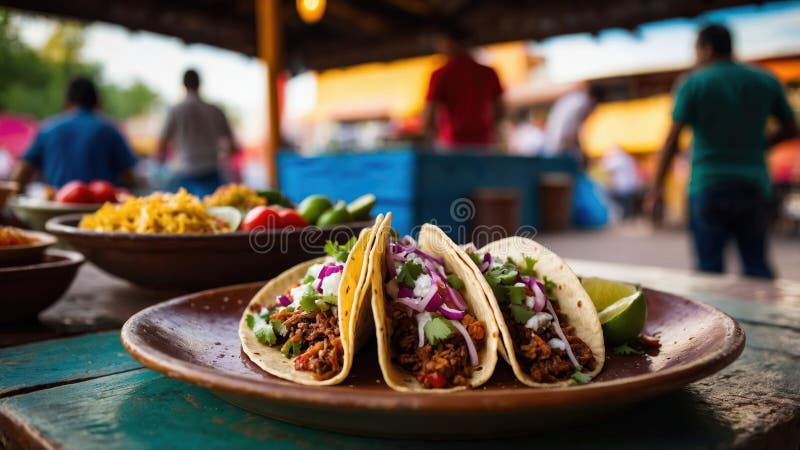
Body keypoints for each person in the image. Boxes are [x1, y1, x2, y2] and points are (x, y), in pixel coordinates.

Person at [646, 24, 798, 279]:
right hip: (754, 185)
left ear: (706, 49)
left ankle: (717, 320)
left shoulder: (693, 83)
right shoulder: (764, 79)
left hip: (707, 186)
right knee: (756, 265)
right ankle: (763, 316)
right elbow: (792, 128)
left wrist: (655, 189)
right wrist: (760, 143)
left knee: (709, 272)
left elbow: (671, 141)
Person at [12, 77, 137, 190]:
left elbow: (20, 174)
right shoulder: (110, 130)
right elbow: (129, 179)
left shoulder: (48, 129)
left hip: (55, 210)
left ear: (66, 102)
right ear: (98, 103)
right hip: (101, 210)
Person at [157, 69, 237, 197]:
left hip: (183, 172)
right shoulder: (215, 111)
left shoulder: (175, 111)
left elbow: (161, 147)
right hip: (211, 172)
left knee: (182, 213)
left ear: (184, 84)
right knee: (213, 212)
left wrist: (160, 168)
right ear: (200, 84)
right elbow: (232, 147)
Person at [422, 26, 504, 149]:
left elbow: (429, 114)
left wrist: (431, 138)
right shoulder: (489, 73)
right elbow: (500, 110)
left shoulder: (442, 74)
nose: (439, 48)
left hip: (452, 143)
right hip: (483, 143)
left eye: (440, 42)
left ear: (450, 42)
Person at [543, 84, 607, 165]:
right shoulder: (584, 102)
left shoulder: (575, 98)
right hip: (562, 144)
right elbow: (575, 130)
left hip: (552, 142)